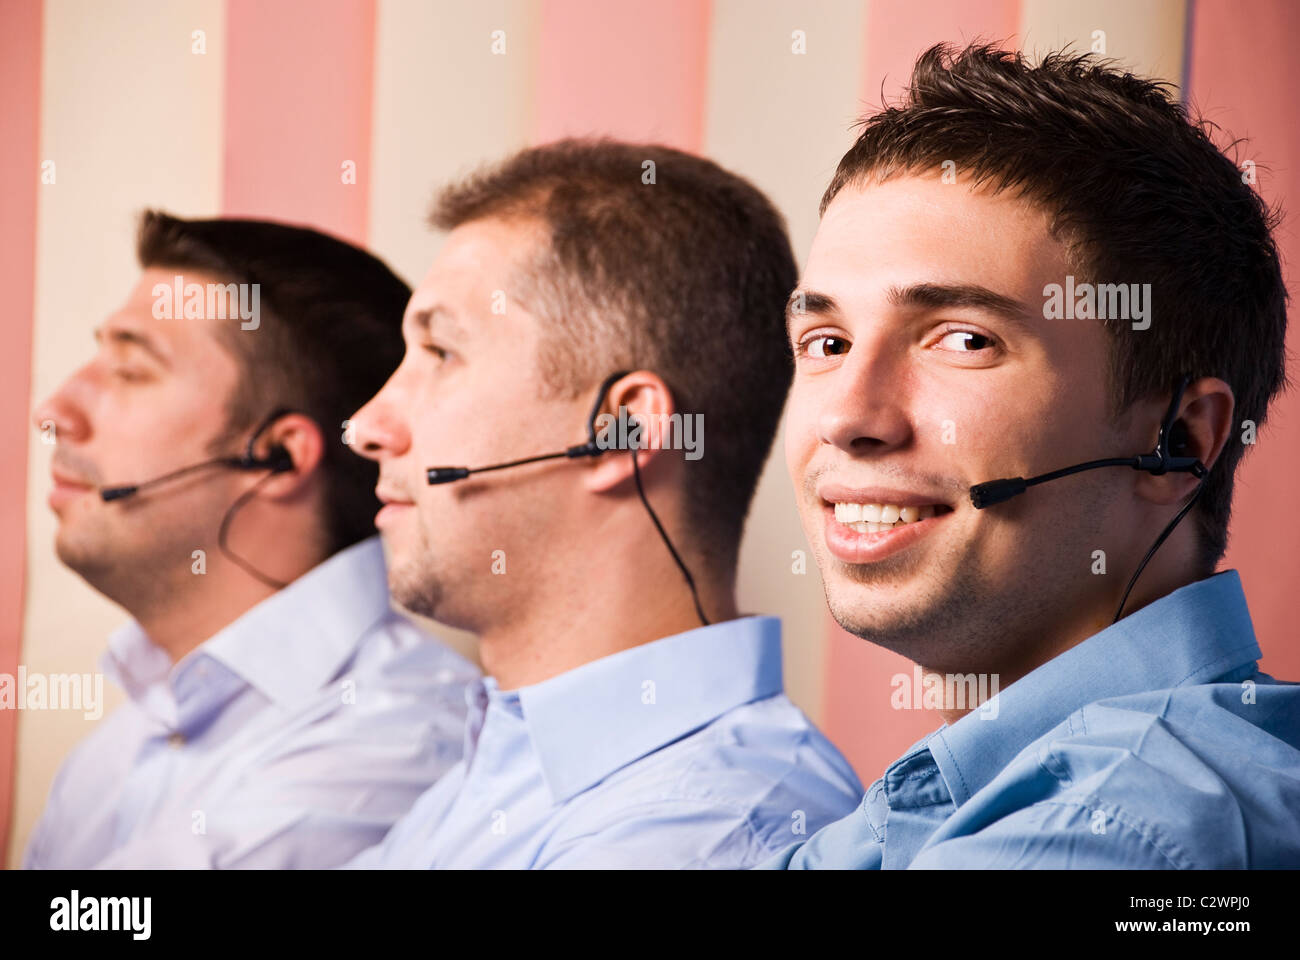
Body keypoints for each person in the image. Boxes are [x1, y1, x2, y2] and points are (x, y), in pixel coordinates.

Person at [765, 43, 1298, 869]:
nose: (848, 416)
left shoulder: (1106, 833)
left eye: (965, 340)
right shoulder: (951, 801)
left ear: (1182, 439)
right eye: (827, 341)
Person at [346, 139, 862, 868]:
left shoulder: (699, 828)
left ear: (621, 432)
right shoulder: (497, 762)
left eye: (441, 354)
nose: (368, 426)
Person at [25, 211, 478, 869]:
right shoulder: (123, 742)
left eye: (130, 369)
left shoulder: (400, 740)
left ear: (275, 457)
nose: (55, 412)